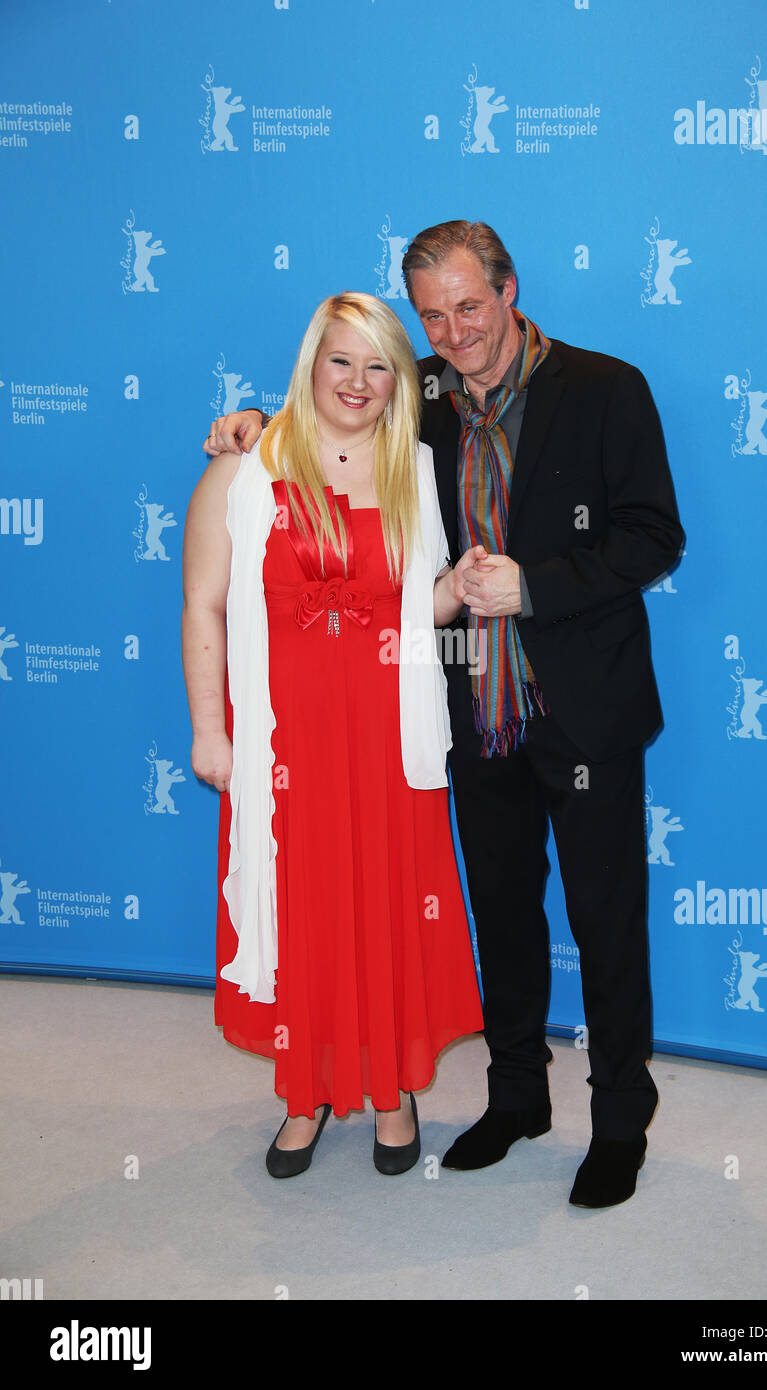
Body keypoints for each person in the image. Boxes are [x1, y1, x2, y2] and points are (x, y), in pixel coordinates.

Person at [204, 222, 684, 1207]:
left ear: (511, 290)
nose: (453, 330)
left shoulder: (604, 388)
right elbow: (325, 416)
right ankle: (514, 1102)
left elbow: (651, 536)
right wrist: (252, 419)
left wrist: (536, 585)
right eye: (432, 314)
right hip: (468, 709)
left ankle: (617, 1126)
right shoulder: (412, 392)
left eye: (469, 306)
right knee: (500, 916)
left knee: (605, 924)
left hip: (580, 708)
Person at [183, 290, 484, 1179]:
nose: (357, 381)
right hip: (286, 742)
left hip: (388, 739)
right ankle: (304, 1091)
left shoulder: (413, 470)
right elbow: (203, 605)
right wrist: (210, 731)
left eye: (379, 365)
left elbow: (412, 611)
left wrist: (457, 587)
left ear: (401, 381)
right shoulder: (246, 467)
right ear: (311, 362)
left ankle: (392, 1089)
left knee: (387, 904)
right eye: (340, 360)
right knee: (302, 908)